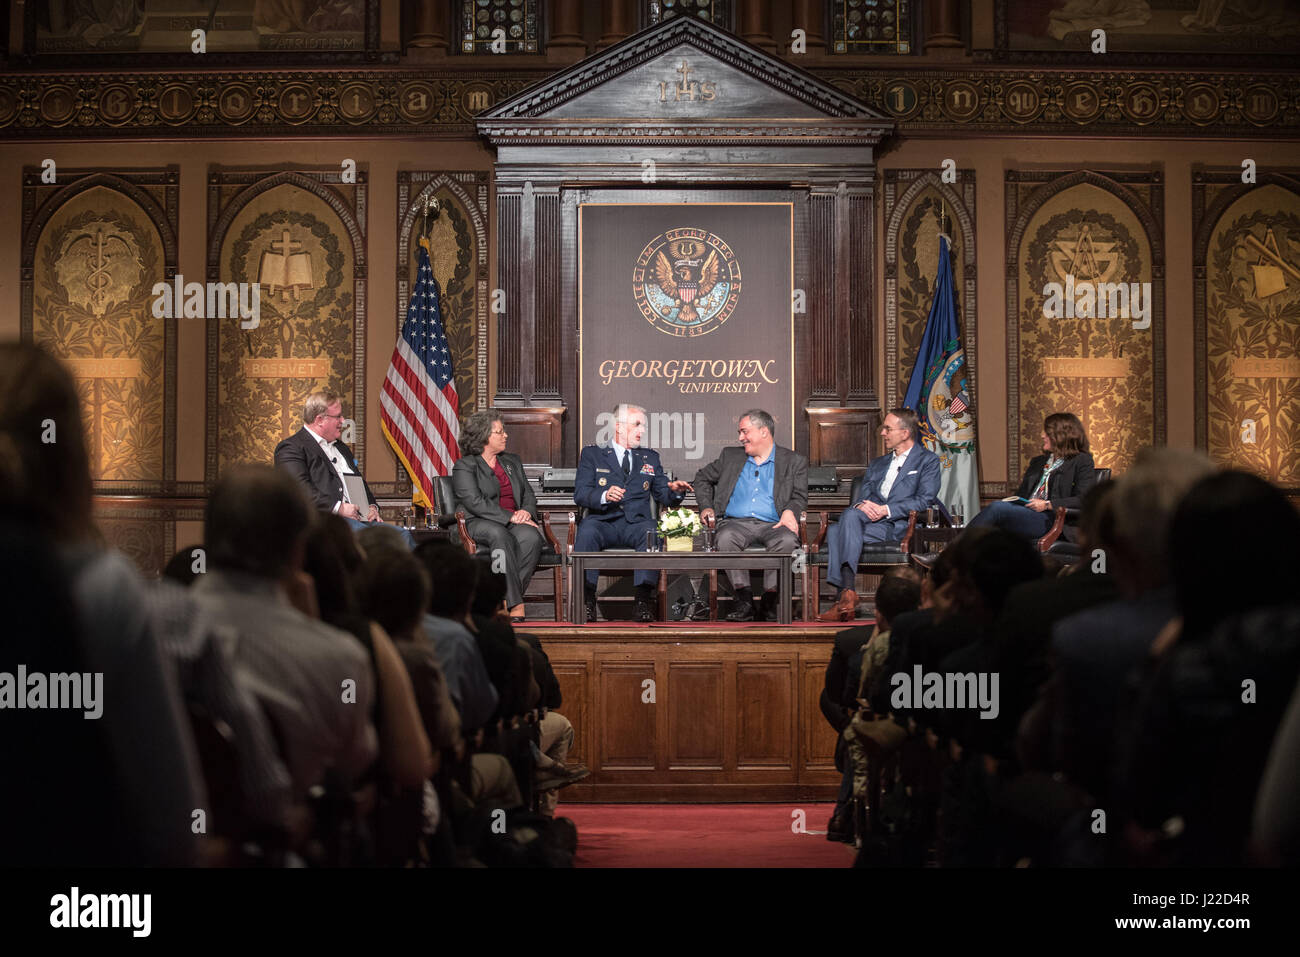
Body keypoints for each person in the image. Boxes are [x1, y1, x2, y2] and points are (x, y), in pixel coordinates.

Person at [818, 408, 941, 622]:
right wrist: (861, 506)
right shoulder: (878, 464)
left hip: (901, 527)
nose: (883, 433)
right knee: (849, 517)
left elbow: (925, 499)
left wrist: (886, 509)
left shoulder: (927, 461)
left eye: (888, 429)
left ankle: (843, 598)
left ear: (905, 433)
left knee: (836, 531)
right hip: (869, 525)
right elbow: (861, 498)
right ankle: (848, 595)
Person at [573, 404, 693, 622]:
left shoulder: (650, 458)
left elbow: (662, 493)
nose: (642, 430)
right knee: (587, 531)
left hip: (635, 524)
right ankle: (587, 600)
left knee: (651, 531)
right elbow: (581, 494)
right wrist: (604, 495)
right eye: (637, 425)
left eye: (643, 425)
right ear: (618, 427)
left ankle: (643, 602)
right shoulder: (593, 454)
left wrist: (675, 491)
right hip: (603, 522)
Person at [693, 409, 808, 621]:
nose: (740, 438)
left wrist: (791, 511)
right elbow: (701, 478)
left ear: (764, 432)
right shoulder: (731, 456)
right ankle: (743, 601)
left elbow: (800, 496)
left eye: (745, 432)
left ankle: (770, 601)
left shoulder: (793, 461)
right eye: (739, 432)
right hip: (736, 524)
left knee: (788, 542)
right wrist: (706, 507)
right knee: (725, 538)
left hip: (774, 524)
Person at [274, 390, 414, 547]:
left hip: (359, 520)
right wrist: (339, 508)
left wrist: (372, 507)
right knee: (372, 541)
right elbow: (298, 490)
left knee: (403, 535)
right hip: (325, 522)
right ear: (320, 419)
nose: (343, 420)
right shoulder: (292, 447)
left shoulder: (341, 448)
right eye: (338, 416)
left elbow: (358, 482)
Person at [451, 409, 545, 622]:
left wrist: (525, 512)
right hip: (476, 521)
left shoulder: (511, 461)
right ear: (484, 436)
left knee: (531, 537)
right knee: (498, 534)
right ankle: (517, 604)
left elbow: (528, 495)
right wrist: (510, 517)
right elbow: (474, 502)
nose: (506, 435)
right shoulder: (465, 466)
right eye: (499, 432)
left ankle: (501, 600)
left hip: (512, 520)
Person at [967, 411, 1095, 543]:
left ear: (1061, 435)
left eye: (1047, 432)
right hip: (1027, 513)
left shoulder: (1081, 461)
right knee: (995, 521)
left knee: (997, 509)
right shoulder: (1038, 462)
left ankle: (957, 549)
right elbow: (1022, 493)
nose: (1042, 435)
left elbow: (1085, 499)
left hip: (1052, 519)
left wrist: (1047, 504)